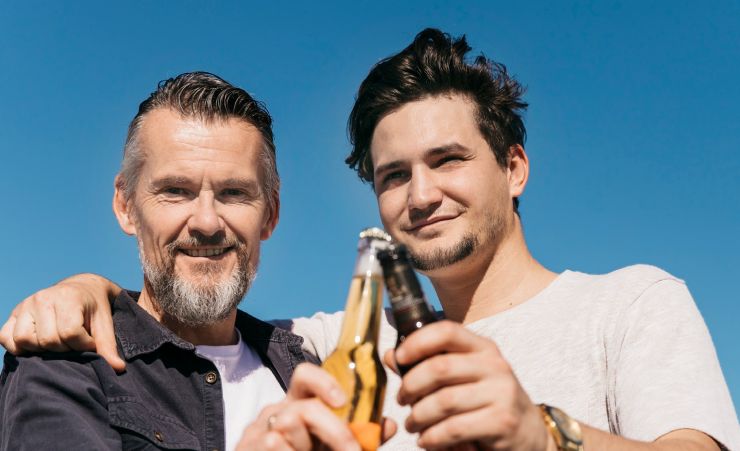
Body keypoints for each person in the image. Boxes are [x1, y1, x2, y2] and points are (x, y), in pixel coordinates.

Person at [3, 29, 738, 450]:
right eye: (393, 175)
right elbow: (185, 316)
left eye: (448, 159)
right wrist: (89, 289)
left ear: (513, 166)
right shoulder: (326, 346)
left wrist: (544, 434)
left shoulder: (629, 305)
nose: (421, 195)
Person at [0, 72, 372, 451]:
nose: (207, 222)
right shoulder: (61, 367)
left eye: (234, 193)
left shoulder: (315, 366)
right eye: (176, 191)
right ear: (126, 206)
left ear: (271, 215)